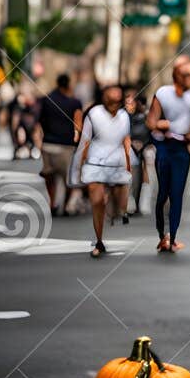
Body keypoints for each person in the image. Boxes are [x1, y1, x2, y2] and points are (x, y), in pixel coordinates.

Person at [146, 60, 190, 254]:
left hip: (182, 149)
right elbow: (151, 122)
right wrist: (163, 124)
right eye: (186, 75)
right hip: (164, 147)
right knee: (163, 192)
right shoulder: (163, 93)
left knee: (177, 193)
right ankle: (161, 235)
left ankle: (172, 237)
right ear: (176, 76)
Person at [75, 84, 133, 258]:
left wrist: (128, 163)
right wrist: (80, 165)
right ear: (104, 99)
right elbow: (85, 140)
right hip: (95, 164)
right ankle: (99, 241)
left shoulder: (124, 117)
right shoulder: (93, 114)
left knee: (119, 205)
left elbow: (126, 140)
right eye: (110, 99)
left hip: (117, 165)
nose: (114, 103)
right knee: (98, 201)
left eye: (117, 100)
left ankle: (114, 211)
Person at [35, 74, 83, 215]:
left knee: (49, 178)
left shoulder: (46, 100)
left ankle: (52, 204)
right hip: (66, 146)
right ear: (68, 84)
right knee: (68, 179)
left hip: (48, 144)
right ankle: (66, 205)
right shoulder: (75, 102)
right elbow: (78, 124)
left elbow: (40, 121)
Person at [125, 88, 151, 218]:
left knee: (138, 180)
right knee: (129, 179)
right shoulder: (123, 116)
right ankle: (124, 205)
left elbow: (150, 132)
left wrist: (143, 144)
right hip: (127, 151)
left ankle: (136, 204)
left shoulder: (145, 117)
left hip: (141, 152)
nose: (130, 105)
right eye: (127, 103)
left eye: (132, 102)